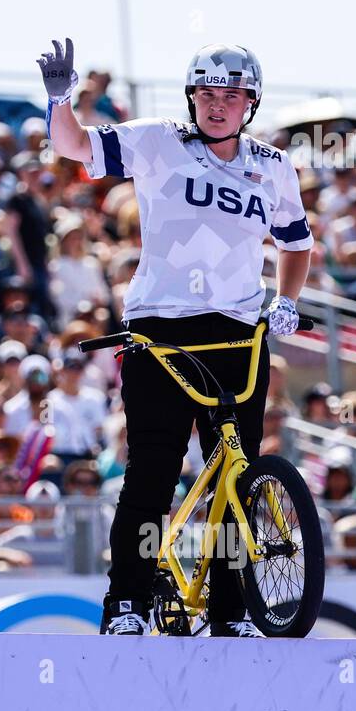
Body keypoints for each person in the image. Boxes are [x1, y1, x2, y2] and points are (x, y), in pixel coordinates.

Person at [39, 38, 313, 637]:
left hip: (239, 332)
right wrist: (60, 100)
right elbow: (74, 144)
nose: (218, 106)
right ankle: (127, 604)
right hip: (160, 327)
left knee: (237, 478)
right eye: (207, 94)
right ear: (192, 98)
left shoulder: (272, 165)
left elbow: (296, 243)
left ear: (251, 103)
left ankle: (229, 610)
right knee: (153, 474)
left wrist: (286, 301)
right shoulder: (159, 140)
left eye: (231, 96)